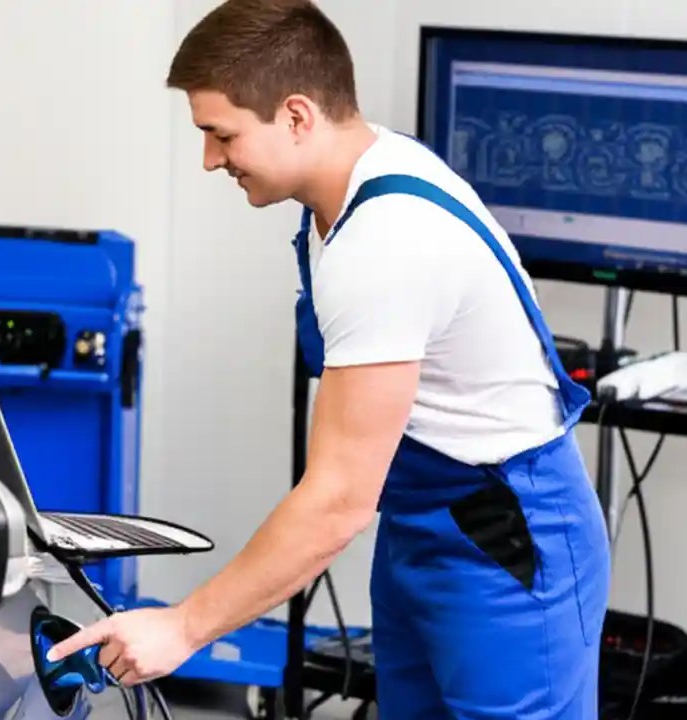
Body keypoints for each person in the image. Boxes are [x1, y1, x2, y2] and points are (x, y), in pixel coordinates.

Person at [46, 0, 611, 716]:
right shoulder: (348, 186)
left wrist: (183, 627)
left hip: (507, 548)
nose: (210, 159)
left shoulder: (386, 241)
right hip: (419, 527)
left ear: (296, 115)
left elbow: (339, 501)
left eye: (222, 135)